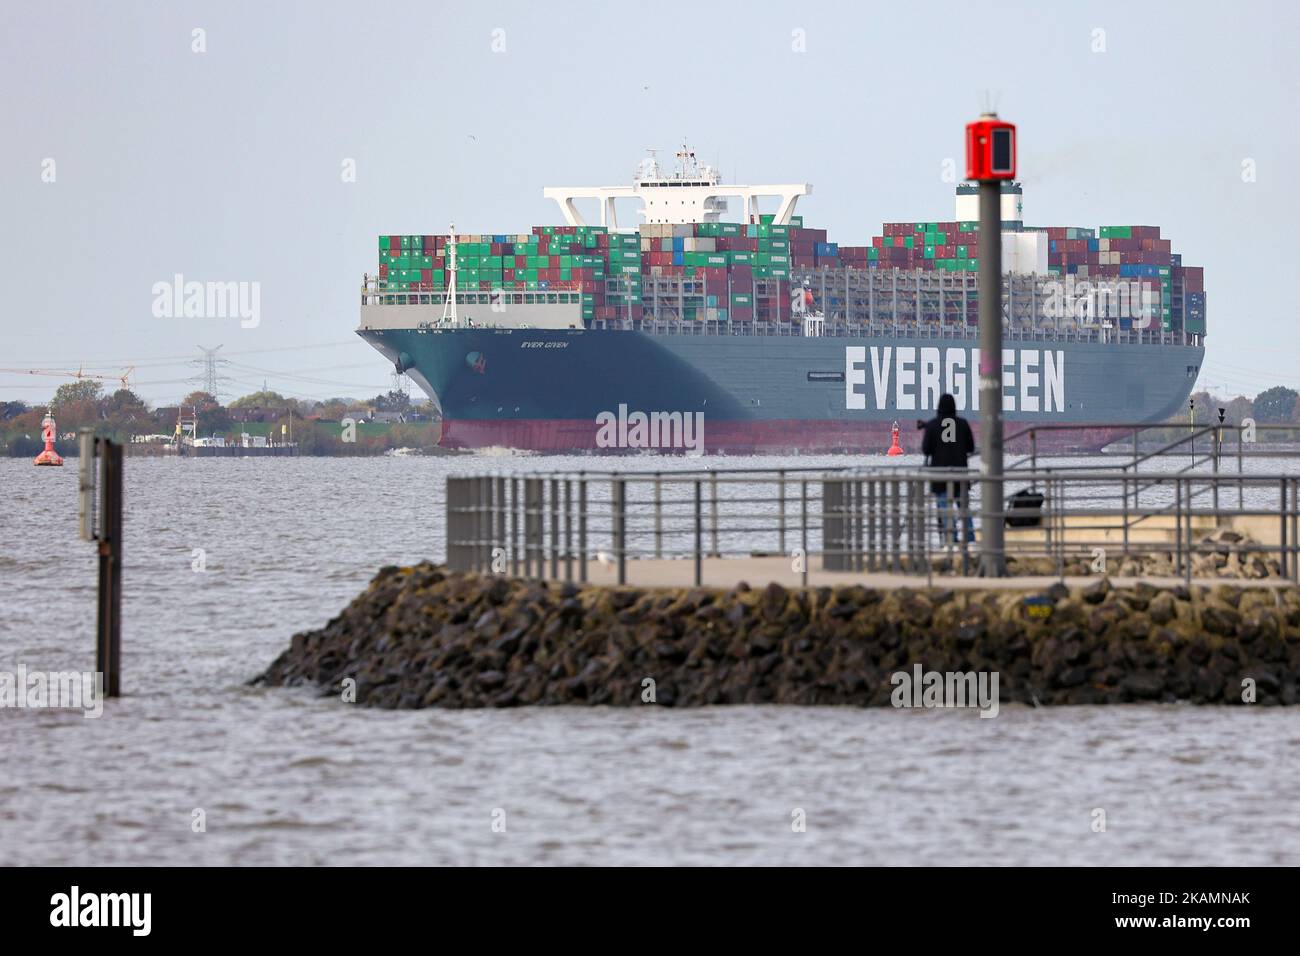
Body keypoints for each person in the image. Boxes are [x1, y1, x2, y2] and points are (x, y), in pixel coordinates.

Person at [920, 393, 975, 543]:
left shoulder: (932, 425)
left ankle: (952, 540)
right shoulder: (963, 424)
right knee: (965, 510)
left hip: (940, 478)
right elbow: (971, 447)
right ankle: (970, 539)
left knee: (945, 511)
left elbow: (925, 450)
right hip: (960, 476)